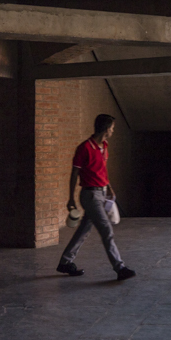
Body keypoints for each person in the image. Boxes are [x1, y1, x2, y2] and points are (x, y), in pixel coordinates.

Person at [58, 114, 137, 281]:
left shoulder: (105, 146)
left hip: (101, 193)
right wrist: (71, 198)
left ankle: (65, 262)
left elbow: (102, 170)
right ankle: (120, 267)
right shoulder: (84, 148)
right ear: (107, 129)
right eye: (113, 128)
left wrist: (109, 187)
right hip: (90, 195)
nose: (113, 131)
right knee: (106, 230)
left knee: (84, 230)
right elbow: (74, 174)